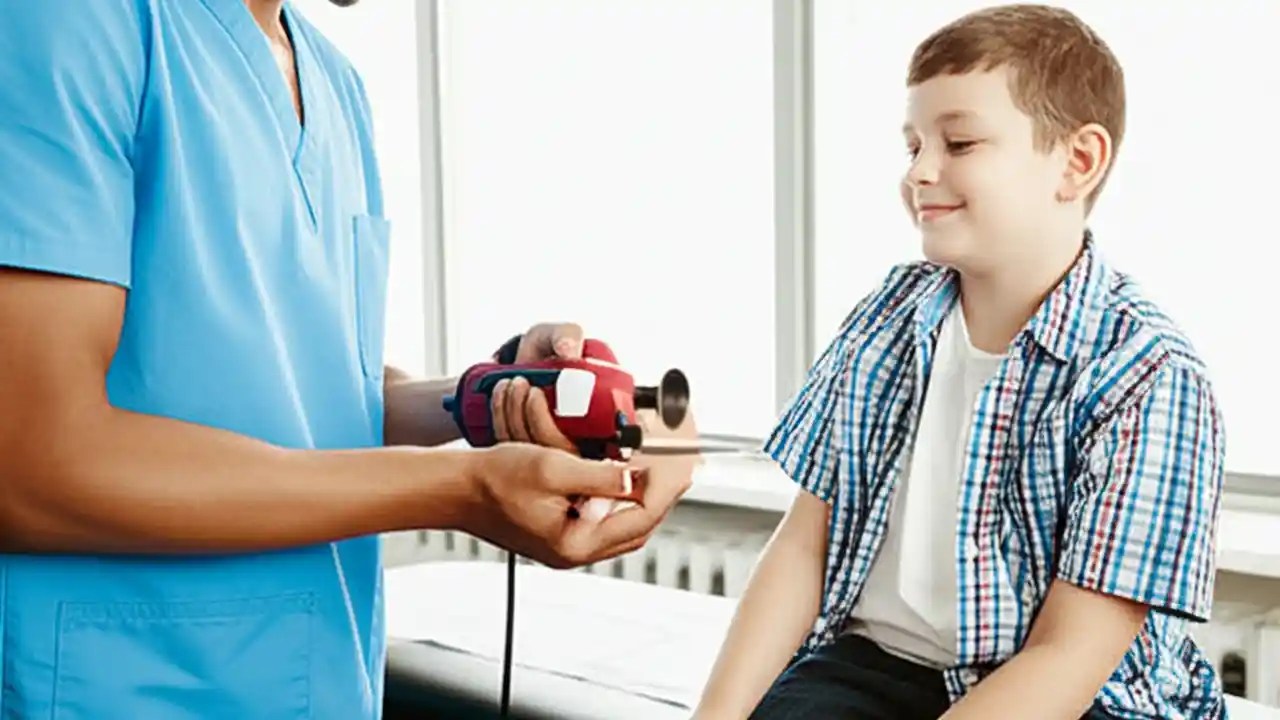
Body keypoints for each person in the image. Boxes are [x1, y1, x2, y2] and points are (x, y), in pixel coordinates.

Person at [0, 1, 690, 718]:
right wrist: (462, 489)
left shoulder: (335, 83)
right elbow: (28, 463)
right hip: (129, 689)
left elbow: (315, 387)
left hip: (323, 683)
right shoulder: (70, 22)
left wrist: (476, 398)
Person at [694, 5, 1225, 720]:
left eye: (961, 142)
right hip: (876, 668)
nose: (922, 171)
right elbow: (801, 551)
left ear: (1078, 161)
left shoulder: (1151, 374)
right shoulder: (886, 318)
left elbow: (1070, 655)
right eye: (913, 146)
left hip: (1079, 697)